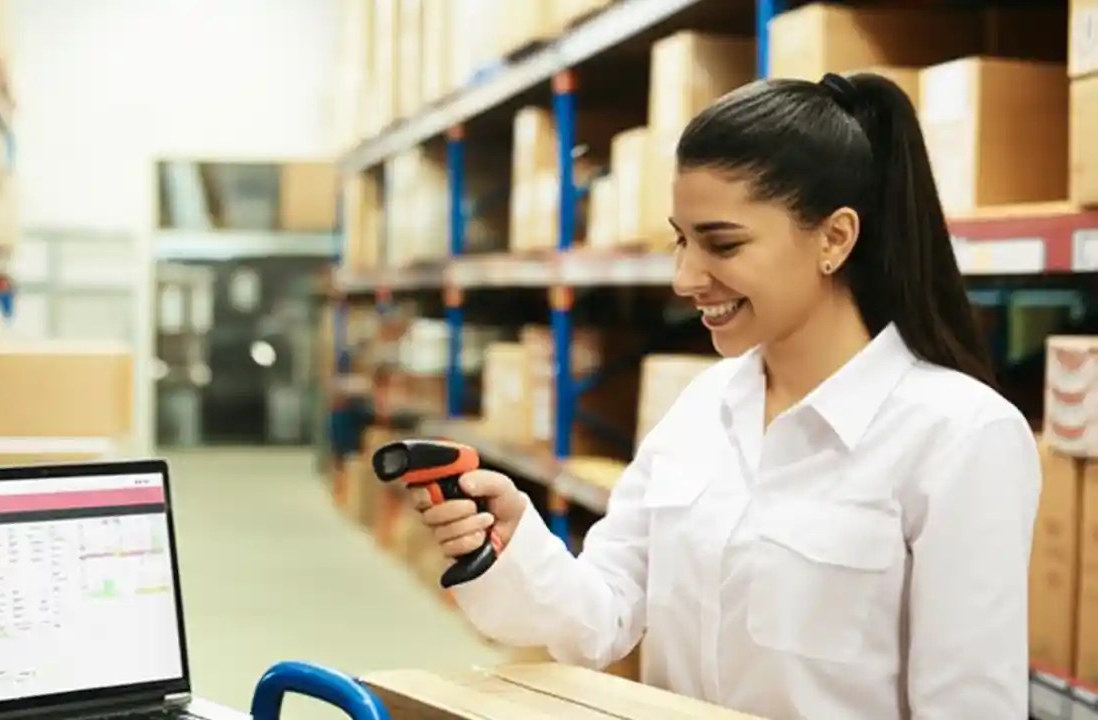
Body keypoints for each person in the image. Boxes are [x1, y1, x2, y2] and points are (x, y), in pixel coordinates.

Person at [410, 72, 1041, 719]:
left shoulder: (960, 436)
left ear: (834, 238)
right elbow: (603, 615)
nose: (685, 277)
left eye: (723, 243)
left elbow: (969, 708)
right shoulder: (702, 406)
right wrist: (513, 540)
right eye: (682, 240)